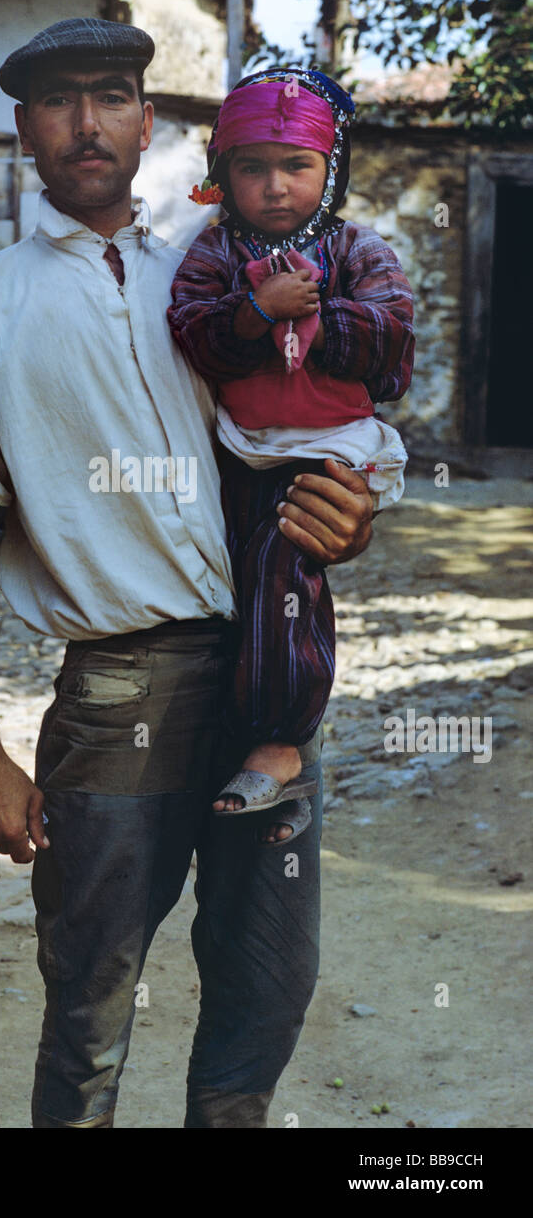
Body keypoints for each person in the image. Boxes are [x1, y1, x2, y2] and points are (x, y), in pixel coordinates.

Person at [0, 18, 374, 1129]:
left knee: (265, 984)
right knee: (89, 1005)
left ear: (145, 119)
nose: (85, 122)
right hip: (120, 692)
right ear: (22, 127)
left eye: (109, 95)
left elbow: (299, 445)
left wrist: (344, 520)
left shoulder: (217, 281)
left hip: (266, 677)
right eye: (57, 101)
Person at [168, 69, 414, 820]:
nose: (274, 186)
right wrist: (250, 311)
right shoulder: (213, 254)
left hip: (331, 447)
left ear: (329, 170)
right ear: (223, 174)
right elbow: (191, 329)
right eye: (251, 167)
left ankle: (280, 738)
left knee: (283, 564)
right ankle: (241, 748)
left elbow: (393, 339)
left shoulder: (355, 248)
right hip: (242, 446)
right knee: (236, 573)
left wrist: (316, 313)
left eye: (296, 165)